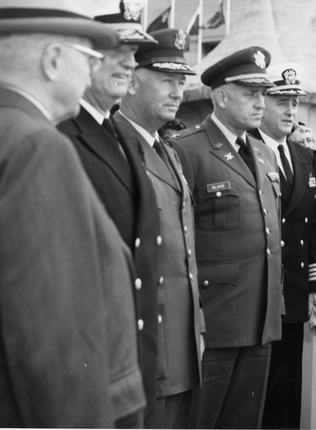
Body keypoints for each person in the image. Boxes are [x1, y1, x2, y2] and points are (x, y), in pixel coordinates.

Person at [0, 0, 145, 426]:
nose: (93, 69)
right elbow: (55, 343)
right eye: (88, 55)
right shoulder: (37, 148)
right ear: (51, 60)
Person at [57, 0, 167, 425]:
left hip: (130, 351)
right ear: (82, 56)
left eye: (132, 52)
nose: (128, 63)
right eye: (113, 51)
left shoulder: (118, 134)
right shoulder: (61, 134)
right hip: (91, 356)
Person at [170, 46, 283, 429]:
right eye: (251, 93)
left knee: (243, 422)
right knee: (201, 420)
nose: (260, 103)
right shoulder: (187, 150)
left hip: (259, 318)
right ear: (220, 97)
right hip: (213, 321)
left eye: (263, 94)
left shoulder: (265, 155)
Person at [115, 28, 205, 428]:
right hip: (143, 340)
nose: (178, 91)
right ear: (132, 81)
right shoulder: (113, 146)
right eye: (166, 80)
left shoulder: (167, 151)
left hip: (181, 338)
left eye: (182, 82)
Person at [250, 63, 316, 429]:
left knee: (287, 390)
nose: (290, 110)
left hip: (294, 291)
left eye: (295, 102)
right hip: (257, 291)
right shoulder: (246, 150)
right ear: (261, 103)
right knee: (254, 395)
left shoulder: (306, 158)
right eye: (281, 101)